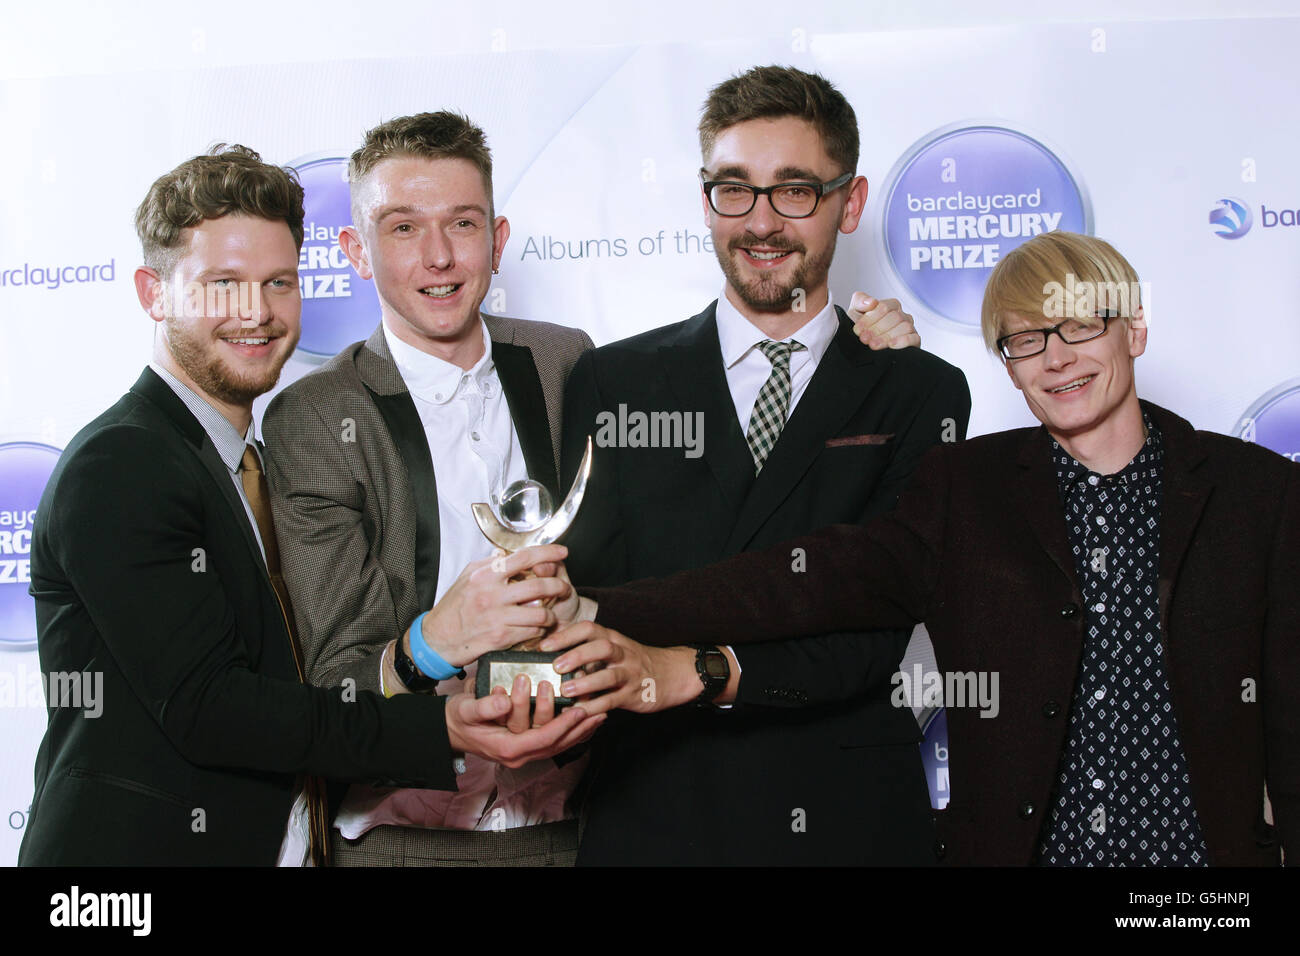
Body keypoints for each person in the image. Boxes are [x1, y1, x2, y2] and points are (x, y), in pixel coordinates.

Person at [549, 230, 1299, 866]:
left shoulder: (1259, 495)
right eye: (1026, 340)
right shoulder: (965, 489)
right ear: (1008, 364)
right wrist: (596, 603)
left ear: (1132, 330)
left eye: (1079, 327)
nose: (1057, 358)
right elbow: (800, 581)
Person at [19, 145, 601, 867]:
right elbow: (214, 710)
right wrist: (442, 714)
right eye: (223, 285)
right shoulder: (124, 463)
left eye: (279, 283)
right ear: (153, 293)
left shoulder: (236, 461)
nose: (256, 313)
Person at [556, 65, 970, 865]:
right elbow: (591, 609)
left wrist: (696, 669)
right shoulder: (613, 380)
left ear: (849, 204)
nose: (761, 221)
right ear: (706, 198)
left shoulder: (918, 389)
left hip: (846, 818)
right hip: (653, 811)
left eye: (795, 190)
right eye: (734, 189)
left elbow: (877, 629)